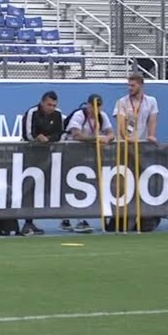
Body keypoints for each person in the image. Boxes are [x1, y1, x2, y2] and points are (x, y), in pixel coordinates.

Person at [64, 95, 113, 234]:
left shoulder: (102, 117)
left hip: (86, 157)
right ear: (88, 105)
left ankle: (75, 218)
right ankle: (73, 219)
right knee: (70, 187)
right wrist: (97, 138)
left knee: (84, 186)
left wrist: (107, 139)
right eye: (93, 106)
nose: (96, 110)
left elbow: (111, 133)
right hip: (69, 153)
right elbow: (76, 135)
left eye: (99, 107)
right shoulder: (79, 115)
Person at [21, 90, 63, 235]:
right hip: (29, 155)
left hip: (47, 156)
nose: (51, 108)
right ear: (42, 102)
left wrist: (49, 139)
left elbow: (59, 134)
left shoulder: (57, 114)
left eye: (54, 105)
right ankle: (26, 222)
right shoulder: (32, 112)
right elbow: (27, 134)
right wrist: (37, 138)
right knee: (29, 188)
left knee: (43, 188)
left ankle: (34, 221)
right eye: (49, 104)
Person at [114, 72, 158, 143]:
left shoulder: (151, 101)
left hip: (142, 143)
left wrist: (151, 136)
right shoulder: (121, 102)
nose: (129, 88)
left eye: (132, 86)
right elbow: (121, 125)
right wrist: (127, 139)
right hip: (125, 143)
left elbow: (152, 121)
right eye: (129, 85)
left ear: (141, 85)